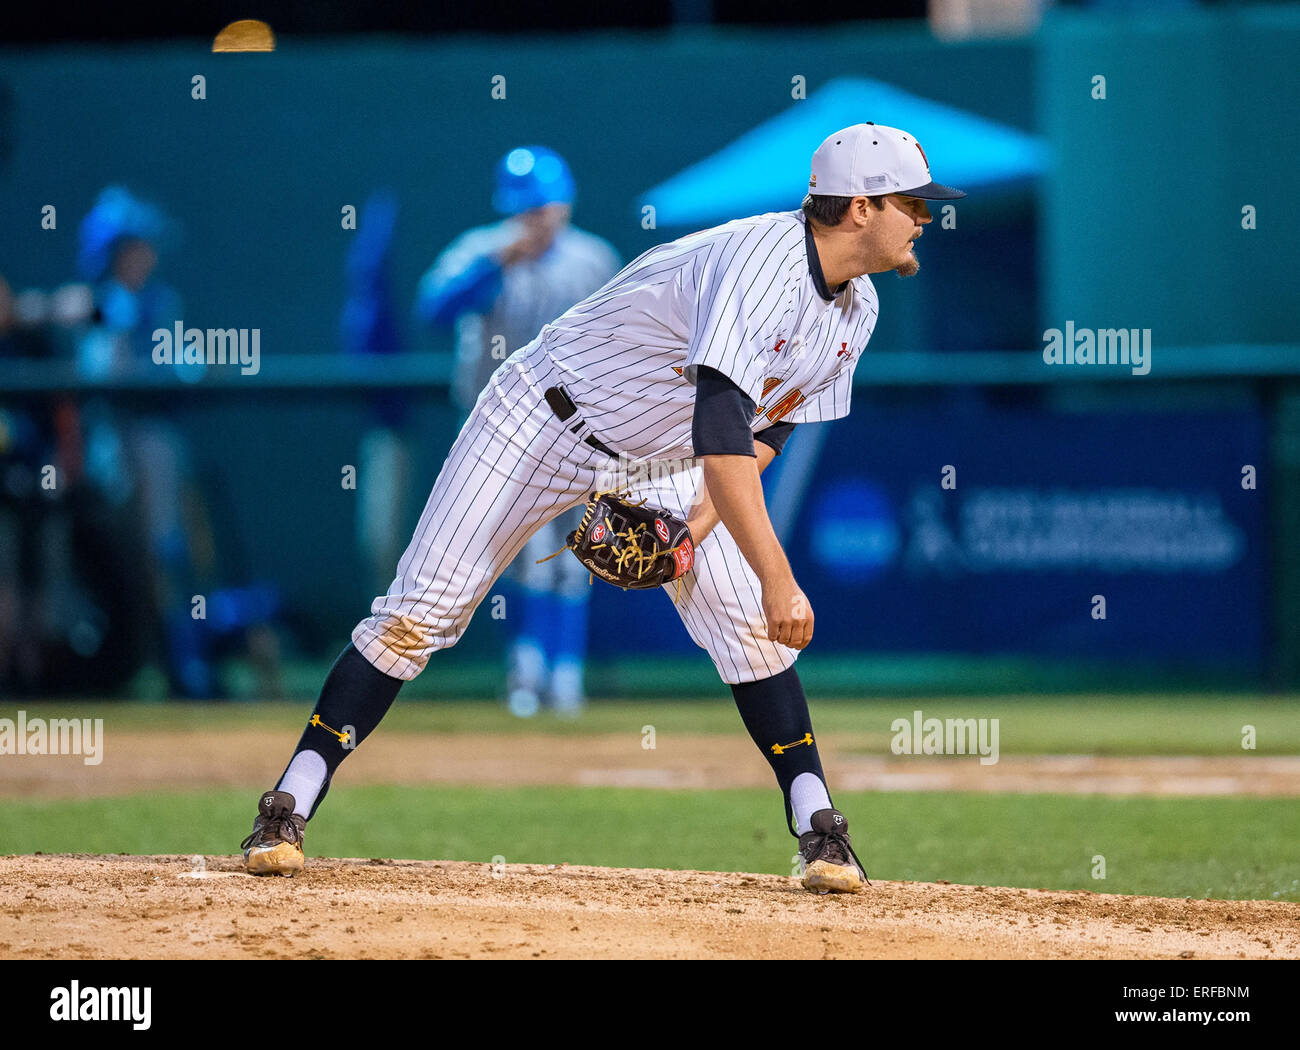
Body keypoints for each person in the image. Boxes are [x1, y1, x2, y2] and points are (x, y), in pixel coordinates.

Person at [240, 124, 964, 893]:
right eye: (913, 203)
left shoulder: (858, 311)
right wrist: (780, 574)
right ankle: (289, 802)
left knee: (747, 626)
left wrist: (692, 530)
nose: (926, 218)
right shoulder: (763, 263)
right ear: (858, 207)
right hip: (539, 417)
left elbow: (765, 431)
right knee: (421, 613)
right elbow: (721, 433)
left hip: (658, 458)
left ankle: (819, 830)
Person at [414, 147, 620, 717]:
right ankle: (526, 676)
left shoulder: (593, 258)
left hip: (582, 426)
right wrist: (495, 263)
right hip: (499, 428)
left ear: (565, 203)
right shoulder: (480, 250)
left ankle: (567, 676)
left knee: (580, 553)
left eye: (545, 206)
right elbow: (432, 309)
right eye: (527, 208)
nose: (538, 218)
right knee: (520, 553)